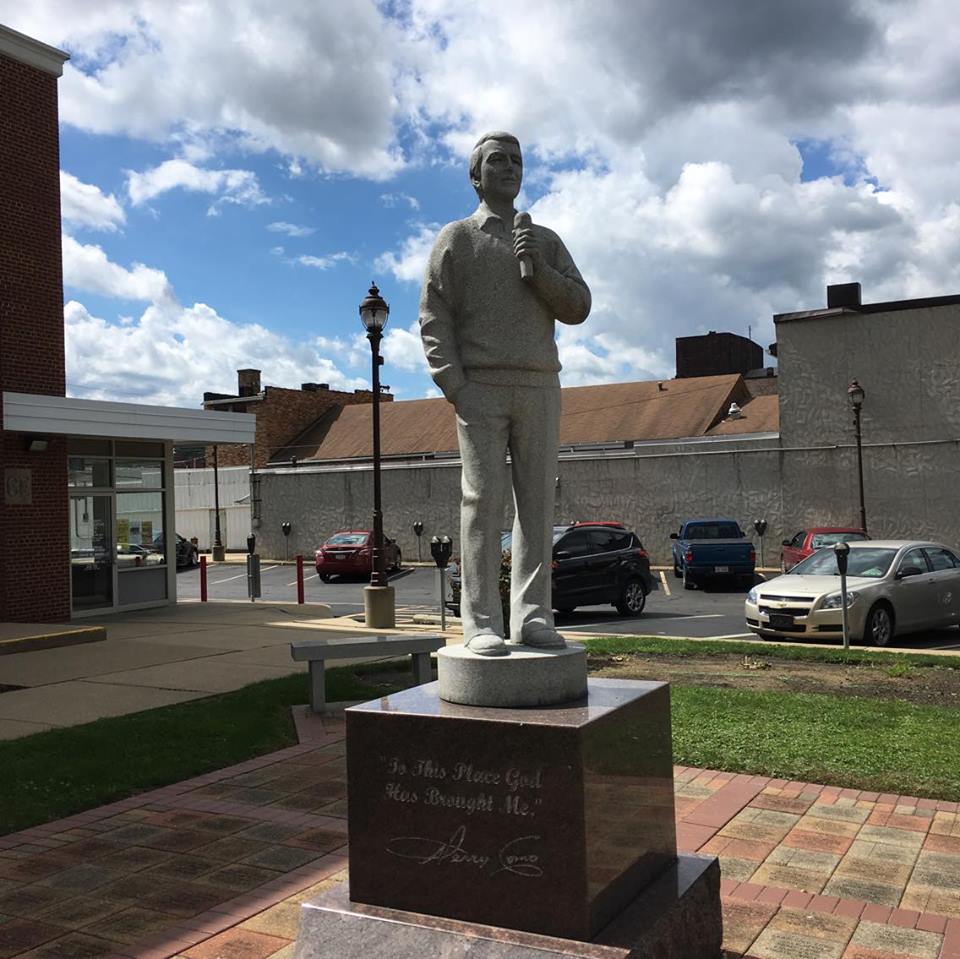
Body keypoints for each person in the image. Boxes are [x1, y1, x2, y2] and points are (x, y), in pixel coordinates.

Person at [418, 131, 591, 656]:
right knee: (483, 503)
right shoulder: (458, 239)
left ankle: (534, 616)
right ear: (476, 174)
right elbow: (433, 316)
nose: (510, 166)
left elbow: (579, 305)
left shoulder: (543, 239)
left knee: (536, 505)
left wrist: (538, 270)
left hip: (539, 383)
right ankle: (480, 622)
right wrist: (456, 386)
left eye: (517, 159)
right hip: (482, 387)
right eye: (498, 159)